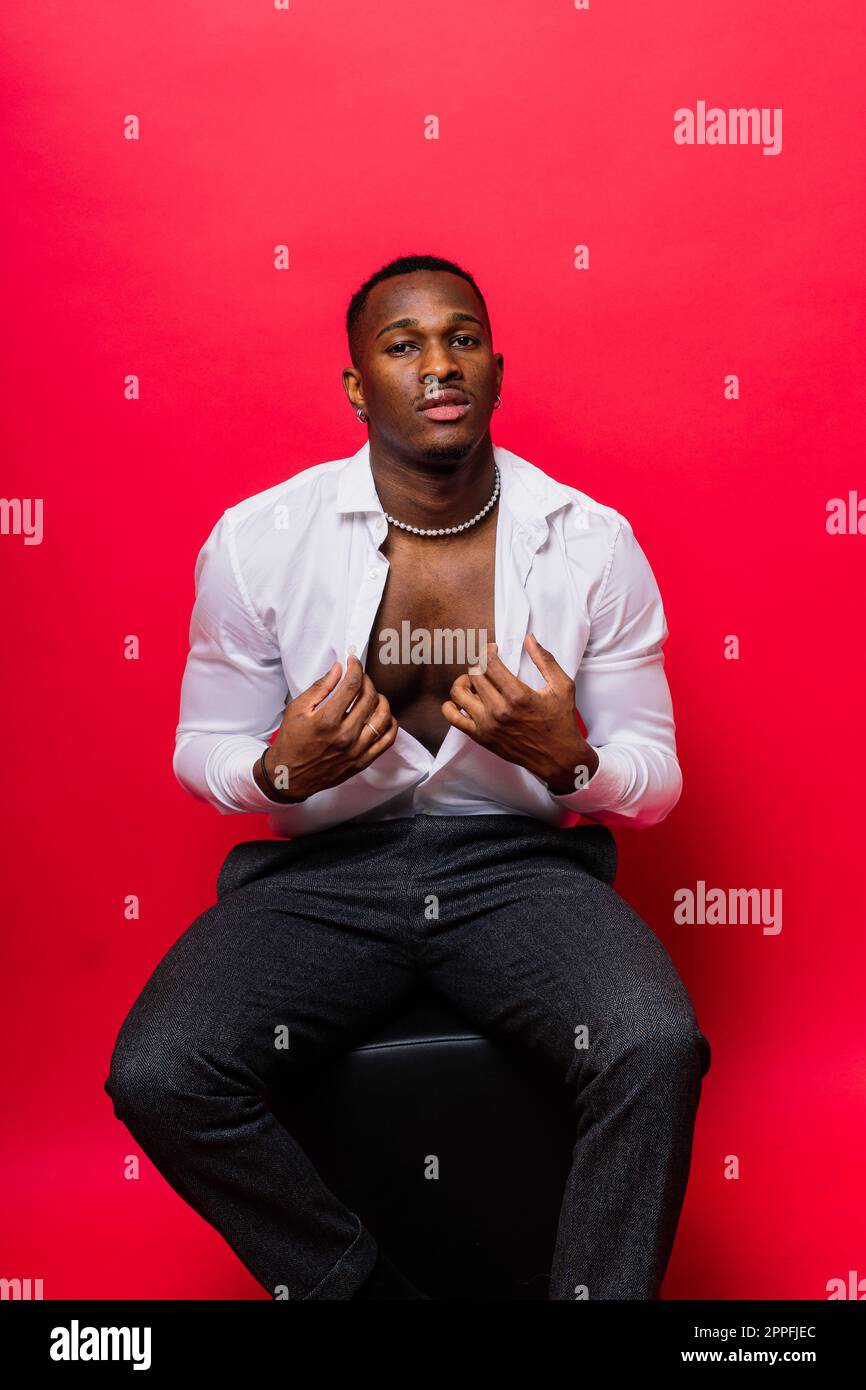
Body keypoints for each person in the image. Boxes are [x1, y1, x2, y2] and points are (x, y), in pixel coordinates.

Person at [104, 252, 711, 1300]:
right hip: (327, 877)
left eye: (461, 339)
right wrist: (276, 771)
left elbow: (653, 781)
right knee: (161, 1072)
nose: (438, 364)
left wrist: (565, 759)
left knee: (651, 1042)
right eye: (403, 344)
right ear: (355, 384)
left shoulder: (590, 544)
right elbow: (198, 751)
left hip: (517, 871)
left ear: (495, 369)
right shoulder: (258, 543)